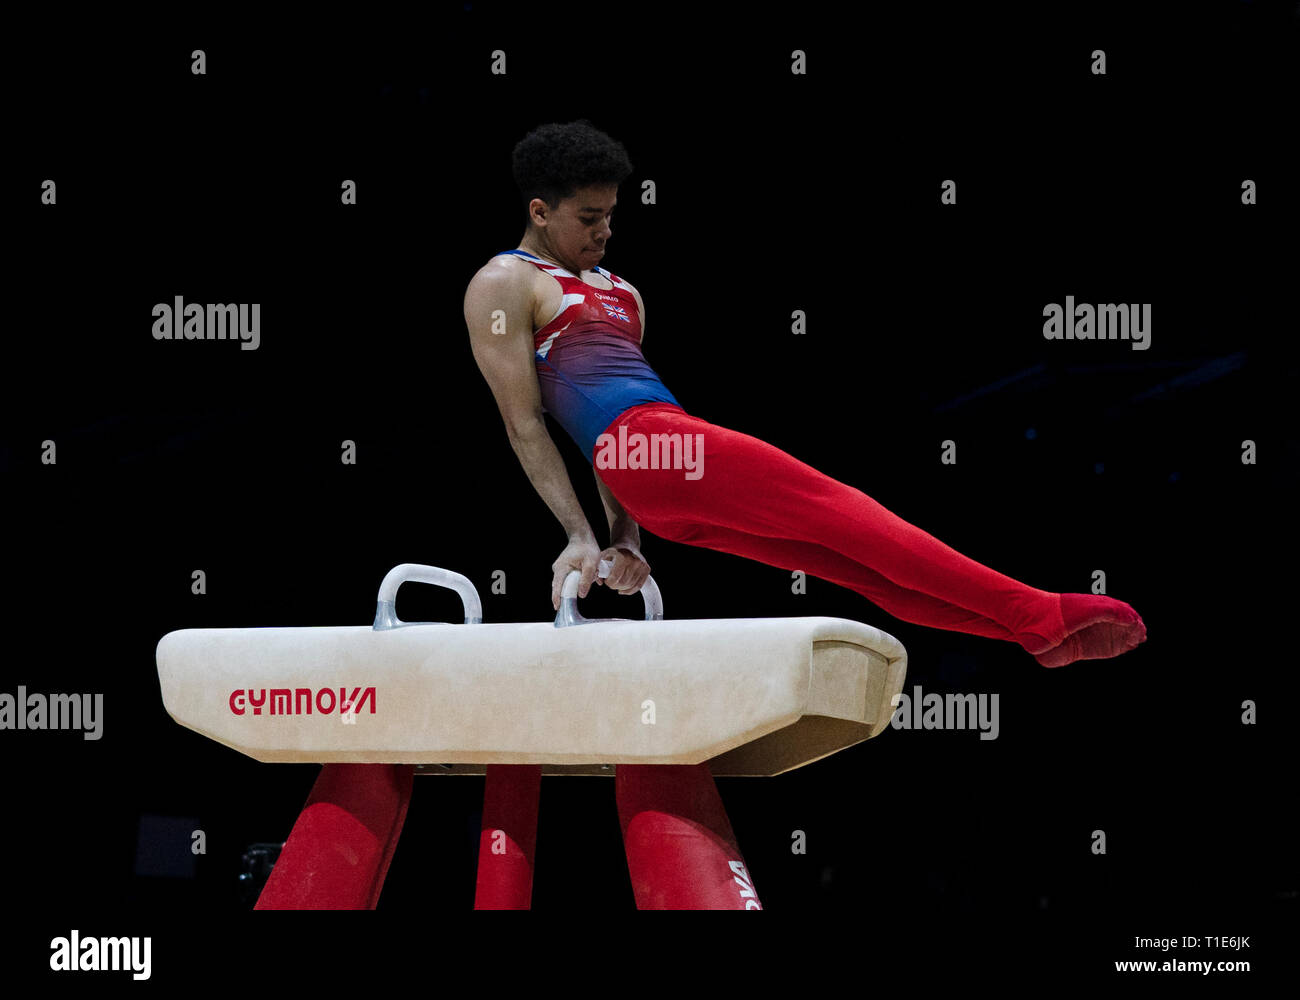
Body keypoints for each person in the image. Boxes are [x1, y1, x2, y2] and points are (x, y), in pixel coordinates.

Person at [463, 119, 1146, 668]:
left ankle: (1026, 636)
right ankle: (1038, 610)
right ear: (539, 212)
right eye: (589, 218)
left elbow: (608, 450)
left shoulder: (624, 294)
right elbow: (525, 423)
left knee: (856, 565)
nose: (606, 232)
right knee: (841, 511)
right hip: (653, 447)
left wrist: (626, 539)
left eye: (612, 215)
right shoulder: (505, 282)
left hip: (656, 472)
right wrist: (578, 535)